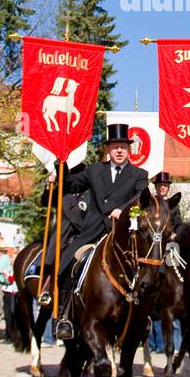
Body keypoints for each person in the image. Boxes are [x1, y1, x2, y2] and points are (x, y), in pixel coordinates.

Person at [42, 124, 148, 339]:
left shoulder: (139, 174)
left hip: (121, 233)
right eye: (115, 147)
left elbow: (141, 197)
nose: (119, 151)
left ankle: (142, 315)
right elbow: (70, 185)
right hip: (91, 230)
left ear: (129, 150)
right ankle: (64, 316)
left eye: (123, 147)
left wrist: (124, 210)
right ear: (108, 150)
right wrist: (61, 165)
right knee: (66, 262)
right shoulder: (94, 170)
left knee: (147, 267)